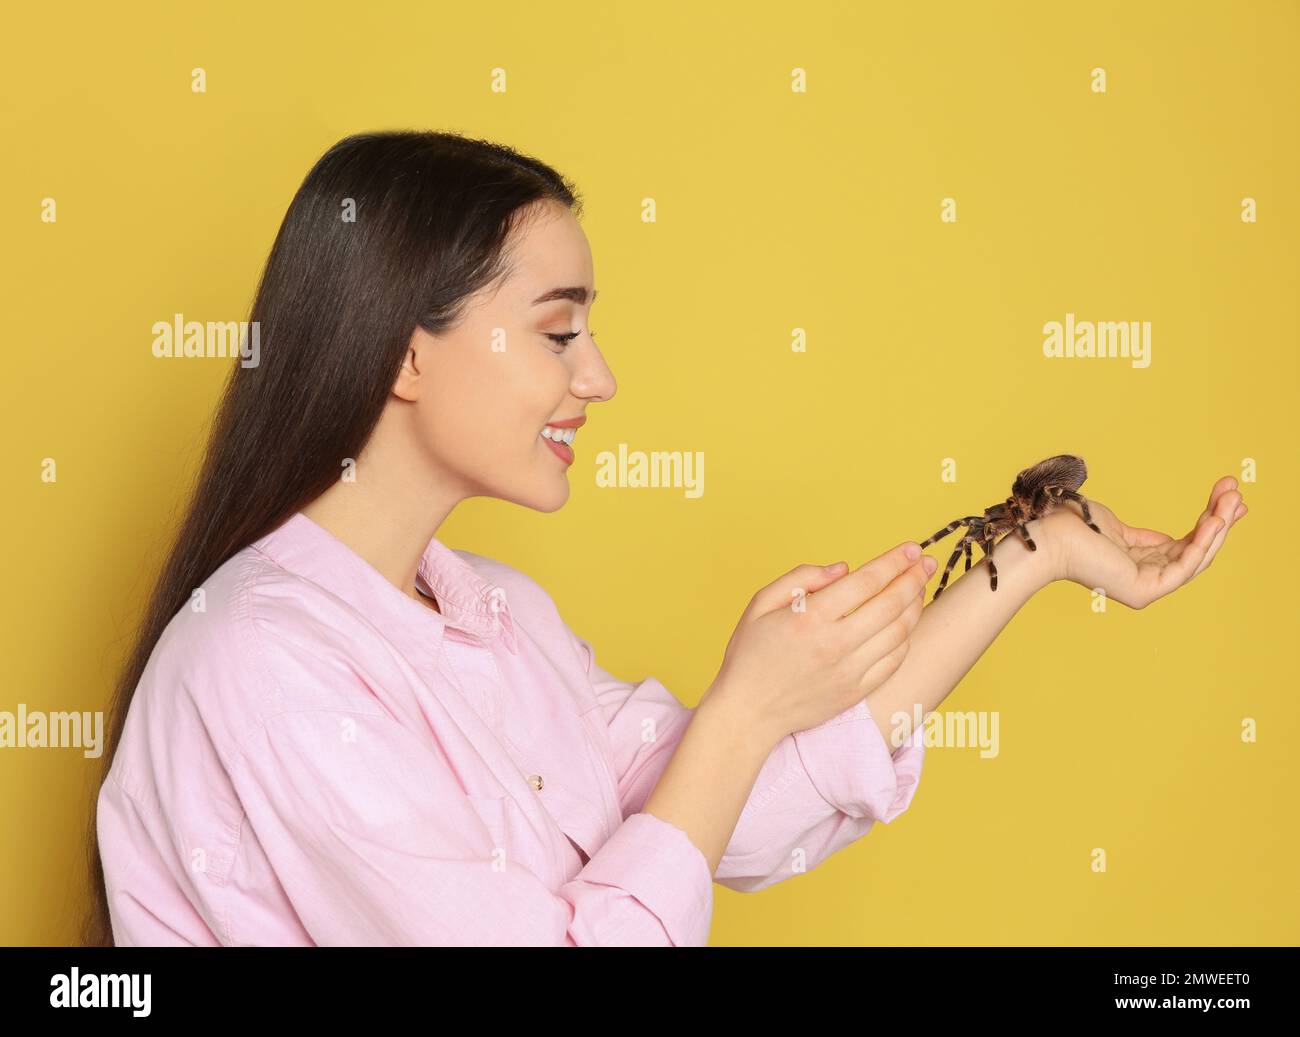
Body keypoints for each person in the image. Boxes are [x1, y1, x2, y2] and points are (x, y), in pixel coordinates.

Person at [86, 130, 1248, 946]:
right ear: (406, 352)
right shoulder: (263, 665)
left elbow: (721, 814)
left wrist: (1035, 551)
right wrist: (743, 709)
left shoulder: (496, 614)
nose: (598, 376)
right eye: (557, 331)